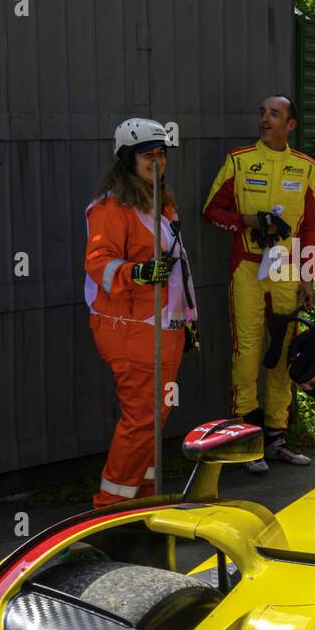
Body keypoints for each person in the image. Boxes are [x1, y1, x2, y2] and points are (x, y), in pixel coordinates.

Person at [202, 95, 315, 471]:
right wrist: (247, 221)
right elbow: (210, 211)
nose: (264, 119)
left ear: (290, 125)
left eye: (274, 114)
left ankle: (276, 438)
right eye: (262, 112)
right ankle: (245, 442)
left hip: (286, 269)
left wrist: (308, 276)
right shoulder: (238, 160)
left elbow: (313, 227)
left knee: (284, 354)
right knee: (247, 351)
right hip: (247, 269)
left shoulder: (306, 167)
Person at [85, 118, 197, 508]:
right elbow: (98, 263)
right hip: (131, 329)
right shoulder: (110, 208)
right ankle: (108, 507)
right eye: (149, 154)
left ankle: (142, 497)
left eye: (162, 153)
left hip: (164, 326)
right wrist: (138, 272)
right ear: (127, 160)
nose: (158, 161)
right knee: (141, 420)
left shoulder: (161, 202)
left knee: (155, 417)